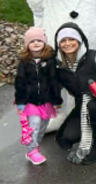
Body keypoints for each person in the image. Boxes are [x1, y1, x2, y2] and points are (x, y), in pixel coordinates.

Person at [53, 22, 96, 165]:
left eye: (72, 39)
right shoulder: (60, 66)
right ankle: (89, 136)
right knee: (68, 137)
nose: (68, 44)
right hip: (82, 105)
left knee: (93, 106)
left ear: (79, 40)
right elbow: (53, 88)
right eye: (63, 41)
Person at [14, 27, 63, 165]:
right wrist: (20, 102)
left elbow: (54, 81)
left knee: (43, 125)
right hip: (30, 101)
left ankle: (36, 144)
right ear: (27, 45)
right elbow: (20, 82)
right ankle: (31, 150)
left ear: (44, 42)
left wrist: (56, 100)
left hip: (46, 100)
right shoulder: (24, 62)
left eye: (39, 40)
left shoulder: (50, 60)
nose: (36, 43)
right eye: (32, 41)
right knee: (33, 125)